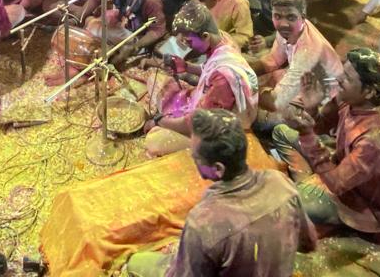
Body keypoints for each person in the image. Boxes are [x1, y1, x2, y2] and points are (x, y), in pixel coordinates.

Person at [126, 109, 316, 277]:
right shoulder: (280, 183)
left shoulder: (203, 222)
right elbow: (308, 243)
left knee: (136, 262)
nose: (192, 157)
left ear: (217, 169)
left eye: (196, 156)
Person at [273, 48, 380, 244]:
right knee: (281, 132)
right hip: (342, 173)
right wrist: (312, 107)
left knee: (287, 204)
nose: (339, 79)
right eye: (342, 73)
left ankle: (312, 195)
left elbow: (337, 185)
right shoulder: (352, 99)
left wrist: (306, 135)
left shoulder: (377, 139)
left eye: (347, 78)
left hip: (369, 209)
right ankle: (309, 187)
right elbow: (320, 127)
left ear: (369, 91)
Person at [144, 0, 259, 157]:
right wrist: (187, 67)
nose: (186, 45)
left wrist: (159, 121)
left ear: (205, 36)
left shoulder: (223, 78)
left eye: (188, 41)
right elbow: (209, 68)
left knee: (154, 140)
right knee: (155, 80)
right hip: (208, 101)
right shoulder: (222, 37)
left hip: (217, 130)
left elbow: (196, 124)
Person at [248, 0, 342, 118]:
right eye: (277, 16)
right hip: (304, 80)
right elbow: (274, 59)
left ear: (302, 18)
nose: (283, 24)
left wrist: (243, 88)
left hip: (322, 103)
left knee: (259, 115)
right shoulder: (291, 29)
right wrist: (243, 71)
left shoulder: (308, 52)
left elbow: (275, 102)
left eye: (290, 17)